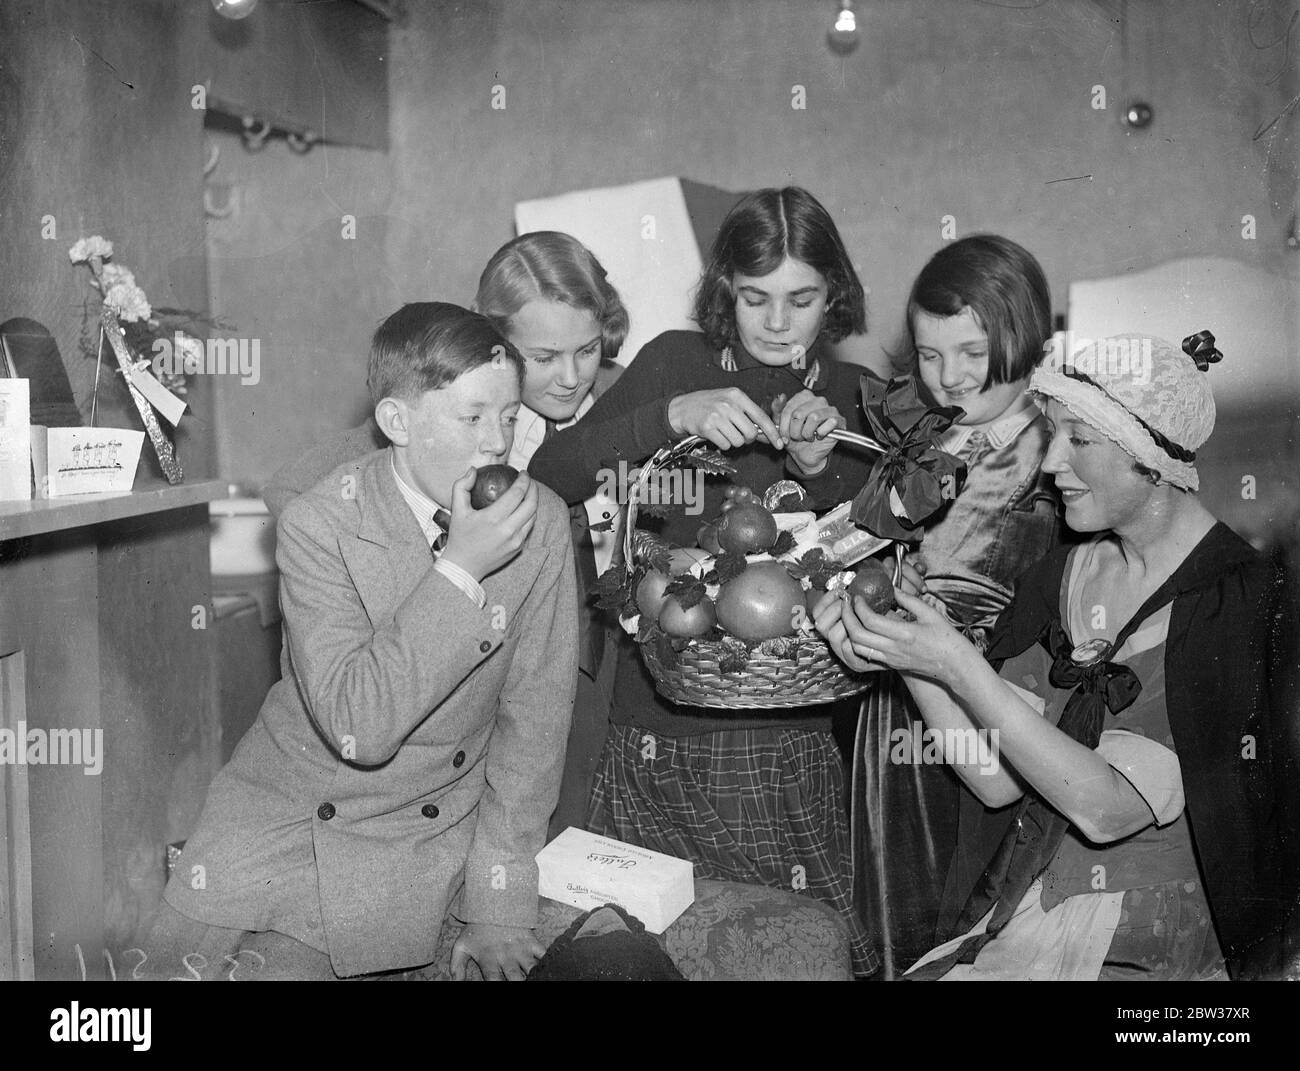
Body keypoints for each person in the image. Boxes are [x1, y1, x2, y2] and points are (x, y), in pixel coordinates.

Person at [816, 332, 1300, 980]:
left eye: (1079, 439)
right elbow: (995, 776)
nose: (1051, 464)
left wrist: (959, 664)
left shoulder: (1239, 604)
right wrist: (911, 658)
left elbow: (1104, 809)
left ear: (1148, 456)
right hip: (1031, 914)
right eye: (1053, 435)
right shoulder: (1061, 575)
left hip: (1149, 946)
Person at [145, 303, 578, 980]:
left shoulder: (540, 522)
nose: (498, 443)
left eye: (510, 415)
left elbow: (536, 727)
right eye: (472, 418)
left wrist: (498, 901)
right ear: (397, 422)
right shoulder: (320, 521)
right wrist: (459, 569)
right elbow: (360, 726)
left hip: (417, 828)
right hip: (282, 811)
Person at [528, 186, 880, 975]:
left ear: (837, 295)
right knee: (641, 955)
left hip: (779, 748)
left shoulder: (854, 394)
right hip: (651, 726)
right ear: (726, 289)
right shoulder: (674, 360)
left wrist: (821, 467)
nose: (778, 323)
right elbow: (551, 473)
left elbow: (868, 561)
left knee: (780, 952)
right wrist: (671, 414)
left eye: (803, 299)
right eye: (756, 298)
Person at [263, 232, 628, 837]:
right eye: (541, 358)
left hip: (606, 658)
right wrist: (418, 576)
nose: (570, 377)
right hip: (493, 663)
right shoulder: (442, 414)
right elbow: (293, 492)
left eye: (588, 351)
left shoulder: (620, 399)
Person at [849, 235, 1067, 976]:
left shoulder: (1051, 446)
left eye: (972, 352)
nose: (948, 379)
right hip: (900, 701)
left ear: (1024, 334)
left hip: (987, 707)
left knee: (960, 912)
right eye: (929, 354)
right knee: (892, 909)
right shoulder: (937, 426)